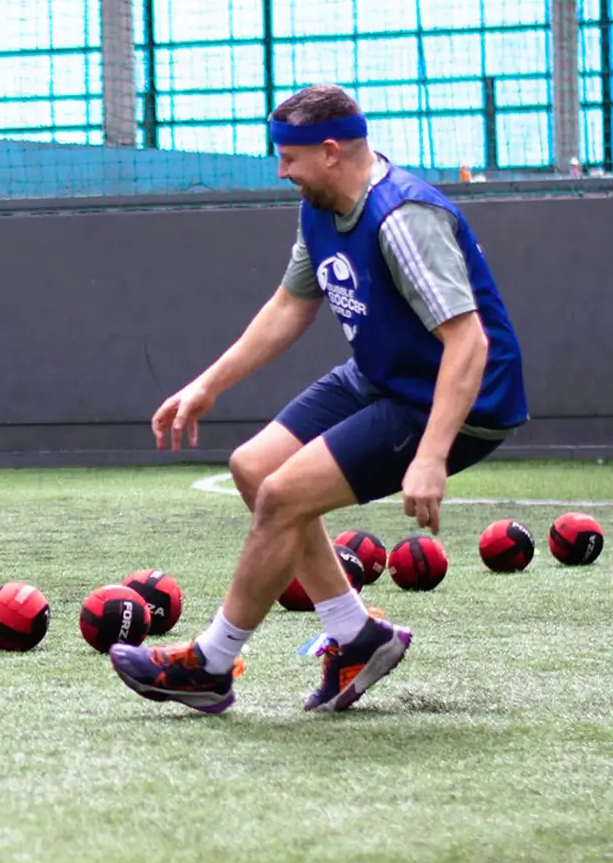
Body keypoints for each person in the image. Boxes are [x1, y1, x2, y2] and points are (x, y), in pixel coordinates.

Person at [110, 83, 527, 714]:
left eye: (289, 159)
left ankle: (210, 665)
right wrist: (207, 385)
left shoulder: (404, 218)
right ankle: (358, 635)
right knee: (253, 468)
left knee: (282, 496)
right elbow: (289, 305)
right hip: (381, 375)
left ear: (329, 151)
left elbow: (467, 343)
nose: (282, 172)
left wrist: (432, 455)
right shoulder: (321, 207)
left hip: (451, 399)